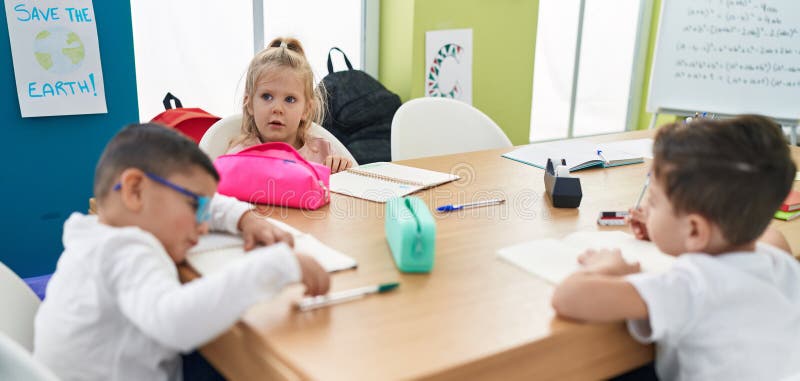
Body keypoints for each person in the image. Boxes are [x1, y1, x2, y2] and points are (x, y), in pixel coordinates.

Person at [34, 123, 330, 381]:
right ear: (135, 192)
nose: (203, 225)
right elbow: (174, 322)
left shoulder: (98, 235)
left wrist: (244, 218)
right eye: (195, 207)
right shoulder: (125, 251)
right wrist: (276, 266)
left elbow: (210, 203)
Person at [551, 115, 800, 380]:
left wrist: (609, 268)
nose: (646, 209)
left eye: (654, 202)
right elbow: (771, 236)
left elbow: (569, 297)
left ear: (694, 230)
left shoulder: (691, 285)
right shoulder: (779, 263)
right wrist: (674, 233)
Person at [227, 37, 353, 173]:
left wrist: (342, 169)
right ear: (250, 104)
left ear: (306, 109)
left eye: (290, 99)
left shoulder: (324, 153)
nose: (277, 109)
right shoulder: (239, 157)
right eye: (267, 97)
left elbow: (348, 190)